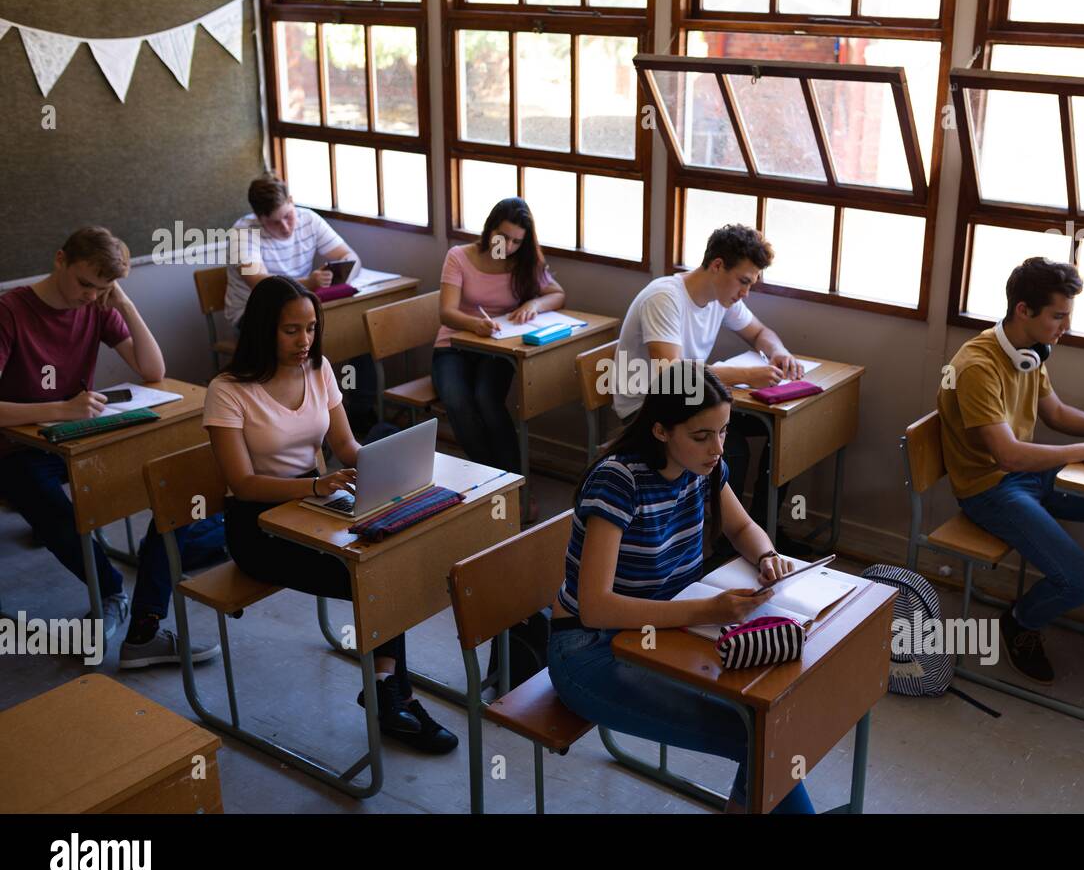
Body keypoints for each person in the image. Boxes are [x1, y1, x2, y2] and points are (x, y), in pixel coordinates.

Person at [204, 275, 456, 753]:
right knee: (378, 581)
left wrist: (394, 465)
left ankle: (385, 688)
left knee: (390, 563)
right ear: (262, 330)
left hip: (312, 507)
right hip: (258, 528)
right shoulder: (227, 390)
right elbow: (243, 484)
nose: (305, 342)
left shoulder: (318, 369)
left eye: (311, 329)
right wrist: (316, 484)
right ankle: (392, 696)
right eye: (290, 331)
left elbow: (345, 446)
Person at [548, 363, 813, 813]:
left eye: (724, 431)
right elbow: (595, 608)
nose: (717, 448)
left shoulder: (705, 468)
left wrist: (767, 556)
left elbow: (743, 527)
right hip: (590, 650)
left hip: (660, 634)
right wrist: (708, 611)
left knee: (774, 715)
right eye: (701, 435)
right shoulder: (619, 482)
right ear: (660, 430)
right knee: (756, 735)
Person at [937, 257, 1084, 685]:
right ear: (1023, 311)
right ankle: (1019, 623)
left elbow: (1057, 413)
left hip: (1032, 477)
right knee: (1079, 581)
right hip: (991, 491)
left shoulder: (1030, 351)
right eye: (1059, 316)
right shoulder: (977, 366)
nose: (1065, 327)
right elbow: (1009, 457)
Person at [0, 226, 224, 667]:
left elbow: (152, 368)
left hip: (78, 439)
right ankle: (110, 591)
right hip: (16, 448)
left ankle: (145, 621)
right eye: (85, 283)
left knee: (167, 476)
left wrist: (123, 302)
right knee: (40, 493)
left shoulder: (100, 304)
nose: (90, 295)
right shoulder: (10, 311)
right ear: (60, 260)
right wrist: (60, 409)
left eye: (103, 288)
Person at [611, 223, 803, 541]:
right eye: (743, 281)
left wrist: (778, 351)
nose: (745, 293)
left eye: (751, 284)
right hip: (648, 409)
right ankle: (722, 541)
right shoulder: (665, 298)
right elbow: (670, 374)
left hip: (693, 401)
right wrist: (745, 375)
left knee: (788, 430)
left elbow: (759, 333)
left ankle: (760, 529)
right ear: (717, 266)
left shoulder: (721, 298)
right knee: (734, 446)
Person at [432, 198, 564, 519]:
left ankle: (515, 486)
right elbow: (446, 311)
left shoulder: (525, 262)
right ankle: (491, 481)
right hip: (454, 344)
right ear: (490, 229)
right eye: (502, 237)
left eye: (517, 241)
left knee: (487, 401)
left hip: (497, 348)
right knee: (459, 401)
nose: (509, 246)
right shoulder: (459, 257)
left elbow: (557, 294)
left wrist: (535, 305)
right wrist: (473, 323)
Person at [224, 171, 378, 436]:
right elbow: (261, 285)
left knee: (358, 333)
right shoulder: (242, 233)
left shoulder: (308, 219)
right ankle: (313, 427)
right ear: (259, 219)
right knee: (311, 351)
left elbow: (350, 257)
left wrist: (338, 275)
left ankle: (360, 414)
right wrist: (309, 282)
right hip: (255, 315)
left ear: (292, 201)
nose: (286, 227)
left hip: (299, 310)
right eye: (275, 223)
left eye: (288, 215)